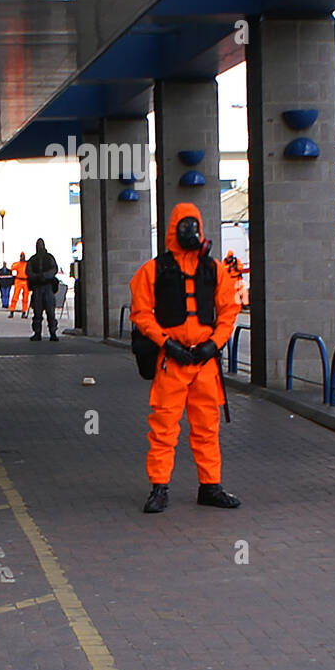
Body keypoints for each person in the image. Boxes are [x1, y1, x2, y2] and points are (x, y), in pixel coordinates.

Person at [130, 203, 241, 513]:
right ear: (173, 230)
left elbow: (229, 310)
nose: (190, 233)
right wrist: (166, 343)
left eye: (194, 227)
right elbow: (141, 313)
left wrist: (214, 344)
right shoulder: (153, 270)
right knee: (164, 428)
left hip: (204, 363)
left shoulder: (214, 269)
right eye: (184, 227)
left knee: (207, 427)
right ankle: (159, 488)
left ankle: (210, 486)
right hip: (172, 361)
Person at [26, 239, 60, 341]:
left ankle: (53, 333)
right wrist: (36, 277)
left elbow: (54, 269)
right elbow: (28, 271)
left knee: (51, 312)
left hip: (48, 286)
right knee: (37, 311)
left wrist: (45, 276)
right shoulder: (33, 259)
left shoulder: (49, 258)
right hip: (37, 288)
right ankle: (37, 333)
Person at [7, 252, 29, 319]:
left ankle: (24, 312)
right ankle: (12, 311)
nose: (22, 258)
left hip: (26, 281)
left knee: (25, 298)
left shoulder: (27, 264)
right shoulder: (18, 264)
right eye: (21, 256)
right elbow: (12, 268)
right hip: (18, 280)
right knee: (15, 296)